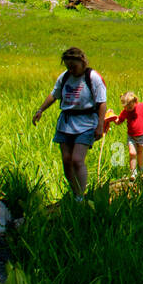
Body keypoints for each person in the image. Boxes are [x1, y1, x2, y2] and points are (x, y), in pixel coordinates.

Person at [32, 47, 108, 201]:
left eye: (74, 67)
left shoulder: (92, 77)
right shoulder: (65, 77)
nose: (71, 70)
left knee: (77, 159)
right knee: (66, 160)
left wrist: (100, 125)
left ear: (82, 62)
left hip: (86, 122)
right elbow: (54, 95)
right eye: (68, 67)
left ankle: (81, 195)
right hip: (66, 123)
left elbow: (102, 102)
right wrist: (41, 110)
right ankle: (75, 192)